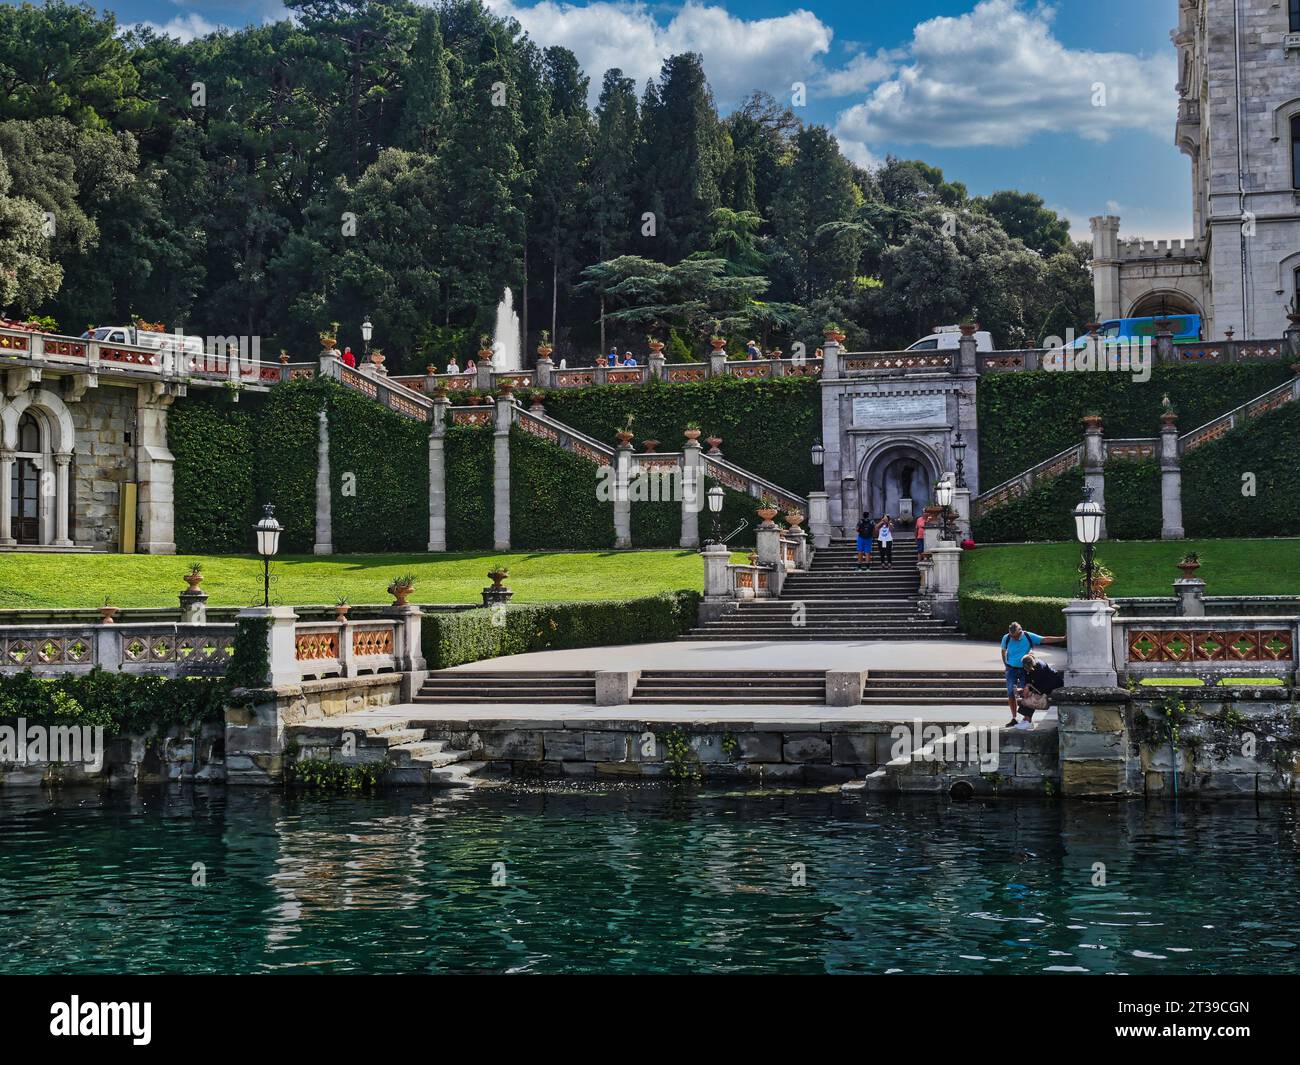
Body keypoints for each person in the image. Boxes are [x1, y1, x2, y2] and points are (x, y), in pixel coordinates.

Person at [1000, 622, 1065, 727]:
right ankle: (1017, 718)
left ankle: (1026, 720)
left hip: (1039, 677)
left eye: (1015, 636)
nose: (1014, 638)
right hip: (1012, 669)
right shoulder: (1006, 638)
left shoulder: (1038, 665)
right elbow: (1003, 651)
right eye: (1012, 636)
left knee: (1028, 694)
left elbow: (1044, 639)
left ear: (1020, 632)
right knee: (1012, 694)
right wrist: (1006, 665)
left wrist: (1062, 638)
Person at [1014, 652, 1064, 727]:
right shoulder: (1026, 666)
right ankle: (1027, 720)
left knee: (1031, 696)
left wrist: (1029, 690)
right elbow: (1028, 678)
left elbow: (1038, 683)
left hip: (1052, 684)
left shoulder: (1040, 667)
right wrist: (1026, 688)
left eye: (1028, 669)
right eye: (1025, 668)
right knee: (1028, 695)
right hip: (1042, 684)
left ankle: (1027, 720)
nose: (1026, 670)